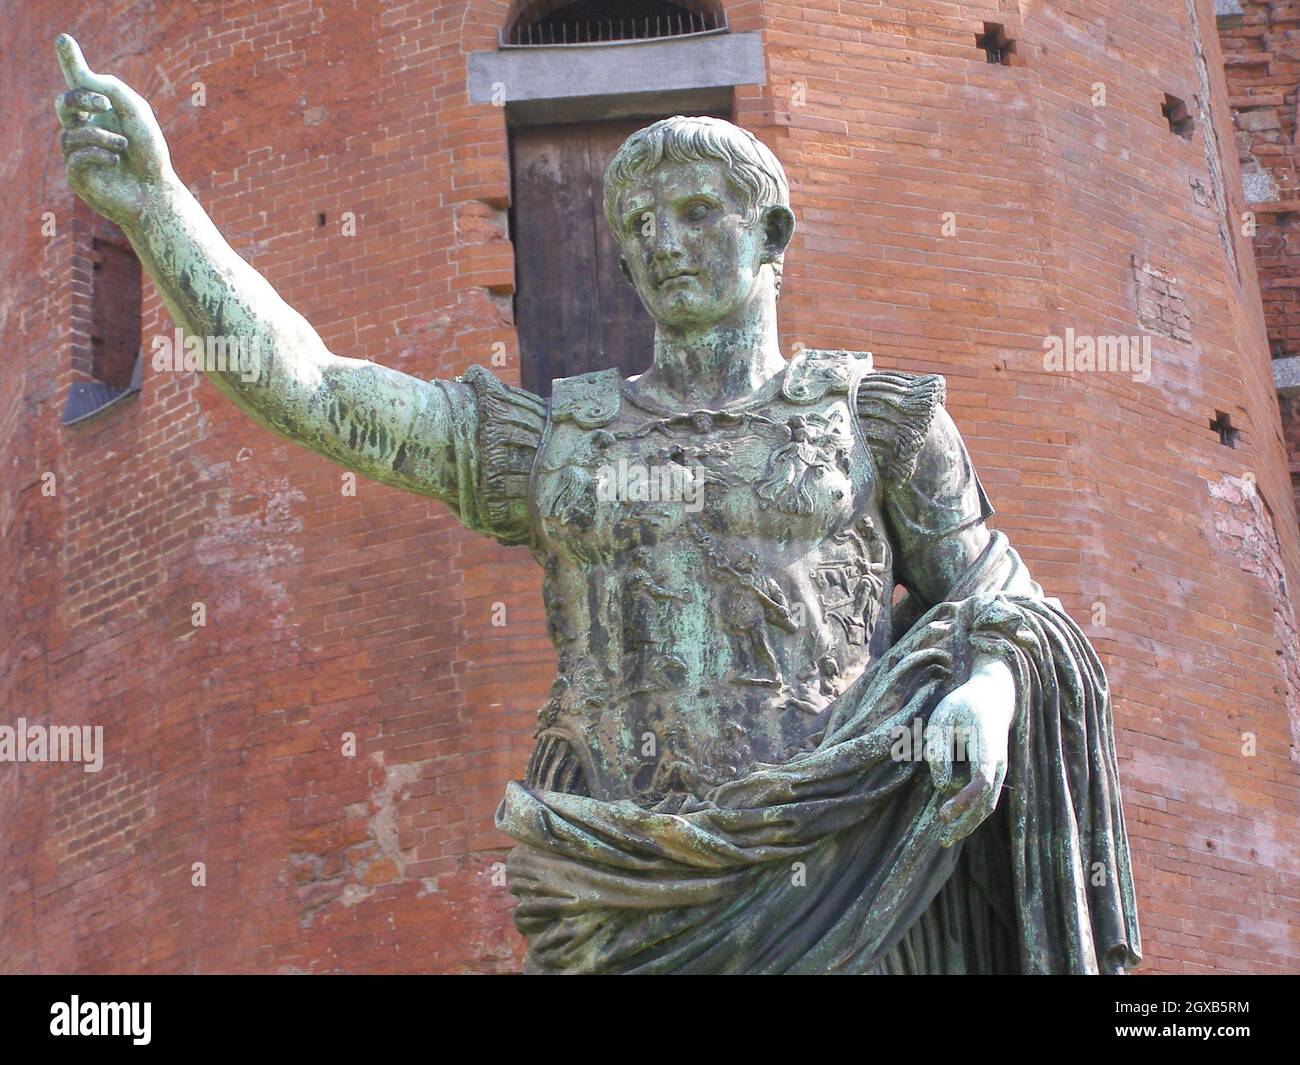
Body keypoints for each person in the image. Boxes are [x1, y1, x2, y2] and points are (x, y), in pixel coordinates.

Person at [54, 34, 1140, 973]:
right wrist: (158, 209)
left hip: (838, 867)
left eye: (696, 212)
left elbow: (1003, 606)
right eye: (640, 224)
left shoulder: (878, 419)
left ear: (772, 237)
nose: (663, 242)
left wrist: (987, 696)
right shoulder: (560, 442)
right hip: (618, 887)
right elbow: (318, 394)